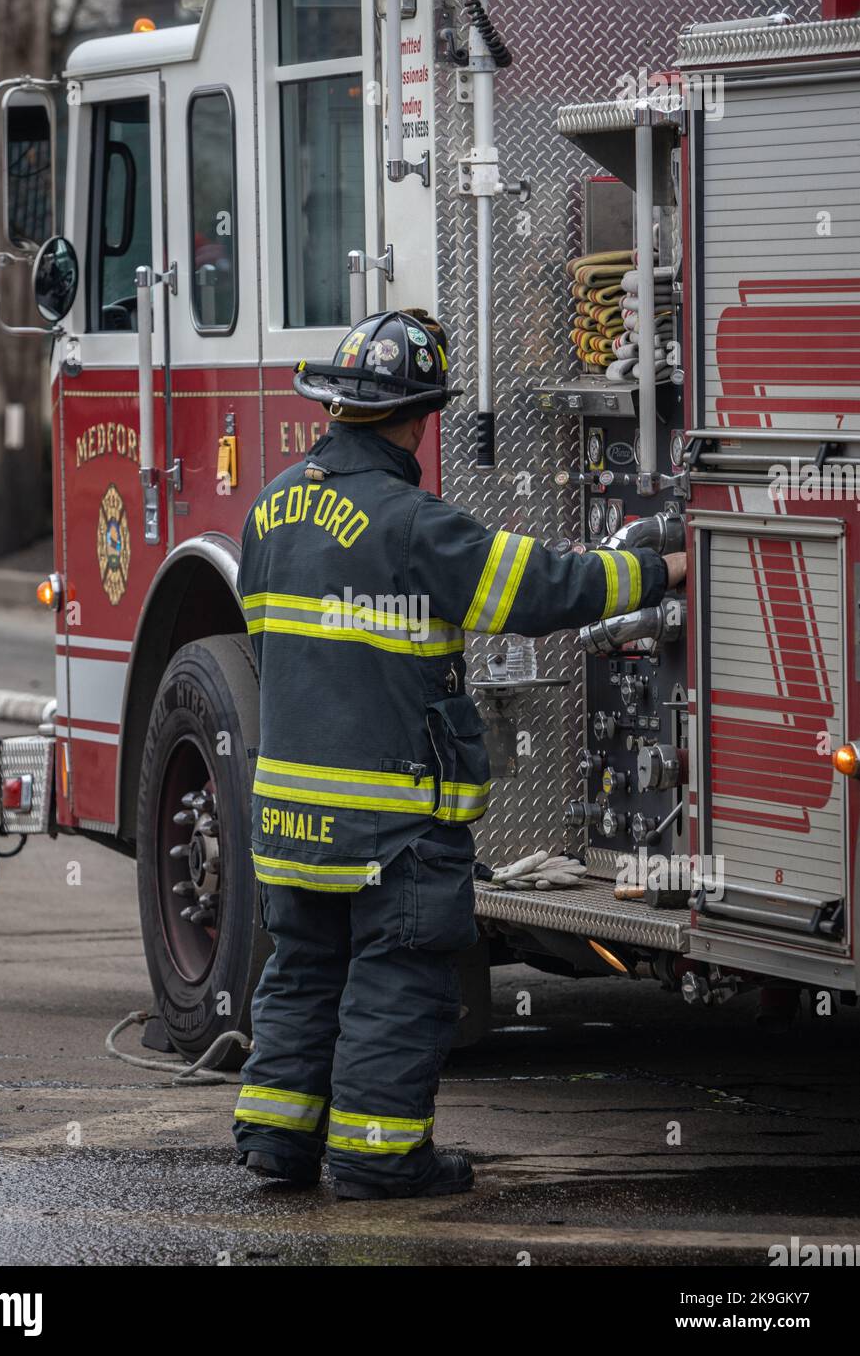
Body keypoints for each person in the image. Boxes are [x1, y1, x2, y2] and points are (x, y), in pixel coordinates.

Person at [232, 308, 686, 1200]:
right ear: (420, 416)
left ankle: (275, 1143)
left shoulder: (269, 512)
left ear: (336, 406)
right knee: (398, 982)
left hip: (285, 817)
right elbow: (547, 590)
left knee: (303, 969)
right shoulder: (411, 524)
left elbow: (276, 647)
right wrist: (658, 568)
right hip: (390, 821)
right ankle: (377, 1156)